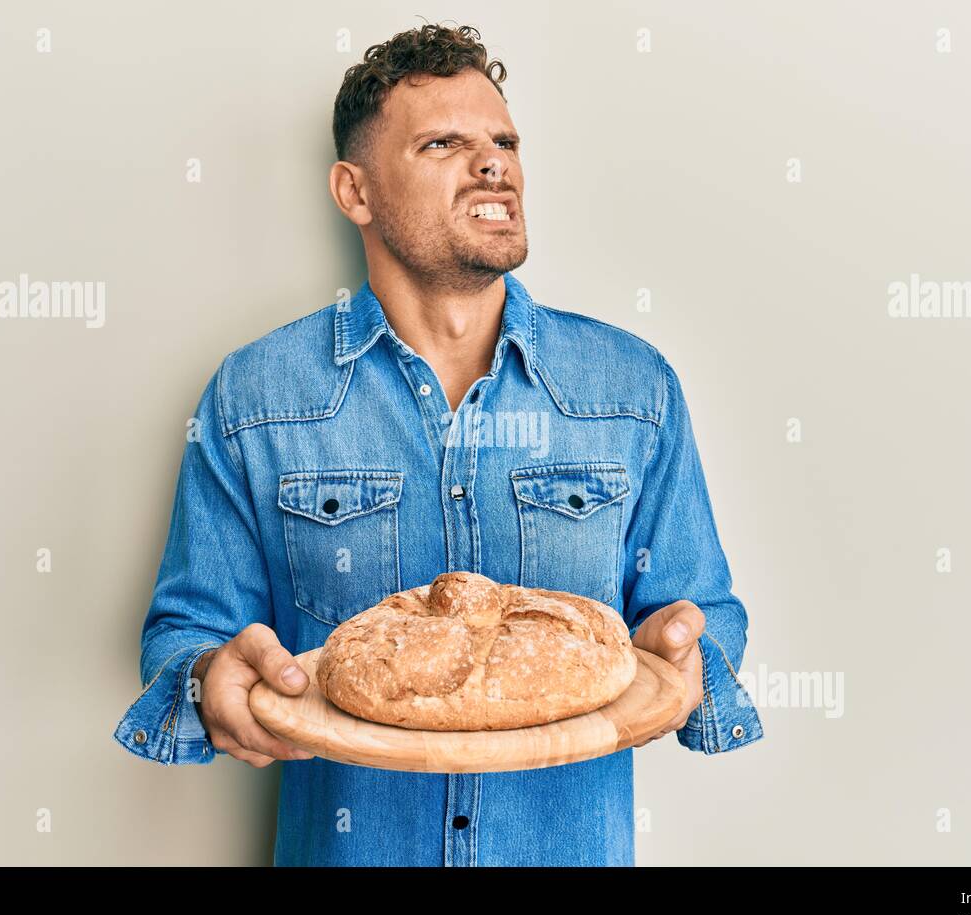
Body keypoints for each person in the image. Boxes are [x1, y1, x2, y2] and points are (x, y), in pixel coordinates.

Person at [112, 21, 763, 866]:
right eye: (443, 143)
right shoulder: (257, 397)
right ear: (355, 192)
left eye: (503, 141)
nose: (494, 163)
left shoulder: (631, 389)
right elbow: (187, 631)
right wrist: (210, 681)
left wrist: (690, 648)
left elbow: (699, 612)